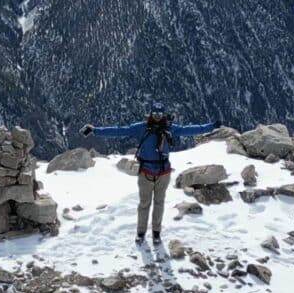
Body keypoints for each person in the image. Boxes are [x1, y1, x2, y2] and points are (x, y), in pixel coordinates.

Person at [81, 103, 219, 245]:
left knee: (158, 203)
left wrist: (210, 127)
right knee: (144, 204)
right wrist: (96, 131)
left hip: (162, 173)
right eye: (155, 114)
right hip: (147, 172)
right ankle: (141, 233)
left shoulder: (168, 128)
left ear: (163, 115)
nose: (157, 117)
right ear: (151, 114)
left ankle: (156, 233)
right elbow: (119, 131)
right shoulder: (142, 127)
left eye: (160, 114)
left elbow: (190, 130)